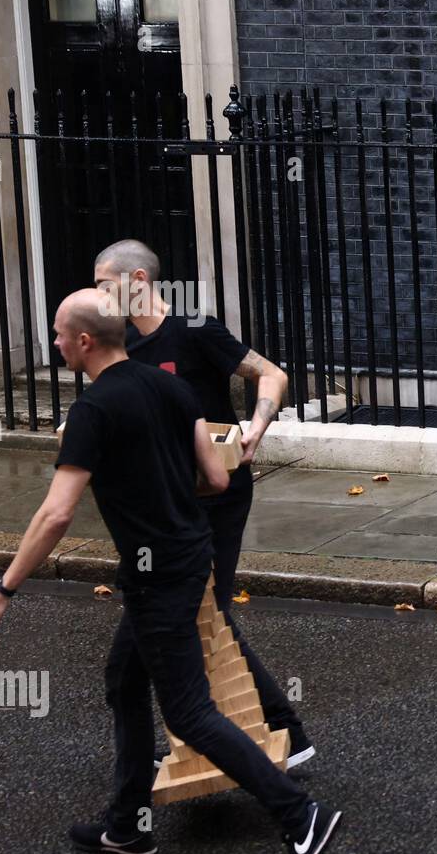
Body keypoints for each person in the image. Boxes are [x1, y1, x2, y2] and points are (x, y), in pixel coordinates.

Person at [0, 290, 341, 854]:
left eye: (61, 335)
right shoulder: (173, 389)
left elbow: (56, 516)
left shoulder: (93, 411)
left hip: (156, 580)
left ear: (85, 342)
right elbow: (218, 478)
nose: (57, 344)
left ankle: (299, 816)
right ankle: (127, 824)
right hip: (192, 557)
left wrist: (4, 589)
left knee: (191, 714)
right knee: (123, 680)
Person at [91, 239, 314, 769]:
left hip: (222, 494)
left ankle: (279, 732)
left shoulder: (194, 329)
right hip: (170, 501)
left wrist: (257, 427)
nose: (100, 297)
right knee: (199, 609)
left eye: (105, 285)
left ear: (139, 282)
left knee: (201, 607)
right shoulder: (122, 348)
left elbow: (271, 374)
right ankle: (277, 732)